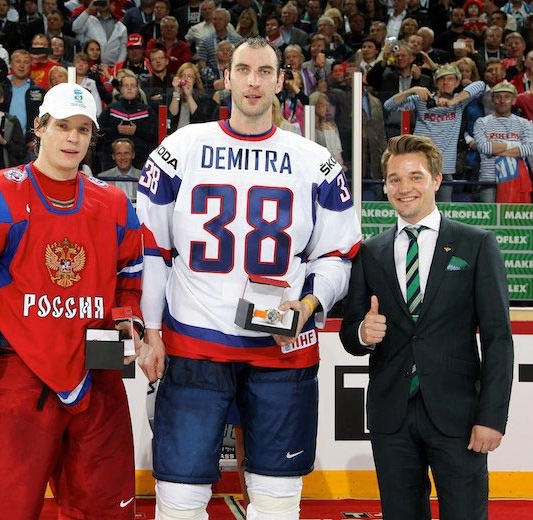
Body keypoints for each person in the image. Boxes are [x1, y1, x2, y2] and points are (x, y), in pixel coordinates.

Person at [136, 37, 361, 520]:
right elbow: (152, 249)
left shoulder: (315, 161)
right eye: (243, 70)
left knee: (277, 503)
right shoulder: (179, 149)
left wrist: (309, 304)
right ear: (226, 77)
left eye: (264, 71)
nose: (253, 81)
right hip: (195, 342)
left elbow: (337, 254)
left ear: (280, 81)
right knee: (178, 503)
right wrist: (151, 330)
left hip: (282, 347)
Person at [0, 82, 143, 519]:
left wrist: (129, 324)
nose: (73, 138)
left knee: (104, 511)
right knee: (4, 511)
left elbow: (129, 281)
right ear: (39, 127)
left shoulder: (114, 203)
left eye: (83, 130)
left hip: (96, 376)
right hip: (14, 374)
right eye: (63, 126)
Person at [338, 134, 514, 520]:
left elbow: (499, 338)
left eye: (415, 176)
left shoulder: (476, 244)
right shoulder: (370, 252)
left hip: (459, 416)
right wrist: (362, 334)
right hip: (391, 416)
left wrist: (491, 417)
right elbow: (350, 332)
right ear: (385, 187)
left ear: (436, 179)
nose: (405, 188)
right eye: (394, 179)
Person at [383, 64, 485, 202]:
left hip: (445, 168)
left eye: (450, 79)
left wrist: (452, 102)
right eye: (442, 79)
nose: (446, 82)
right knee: (417, 205)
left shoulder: (460, 101)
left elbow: (480, 85)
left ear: (457, 83)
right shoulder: (423, 100)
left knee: (444, 210)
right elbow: (389, 105)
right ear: (436, 83)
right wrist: (411, 90)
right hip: (420, 164)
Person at [473, 80, 533, 203]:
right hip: (489, 181)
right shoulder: (481, 122)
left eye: (507, 97)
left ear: (514, 100)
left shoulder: (524, 123)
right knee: (489, 216)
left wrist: (495, 148)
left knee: (512, 216)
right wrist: (515, 145)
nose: (502, 100)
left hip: (516, 181)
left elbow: (528, 149)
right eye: (498, 97)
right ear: (492, 100)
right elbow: (484, 148)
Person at [98, 137, 141, 202]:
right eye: (119, 154)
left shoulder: (143, 177)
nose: (123, 157)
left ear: (133, 155)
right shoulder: (102, 179)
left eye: (126, 153)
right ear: (113, 156)